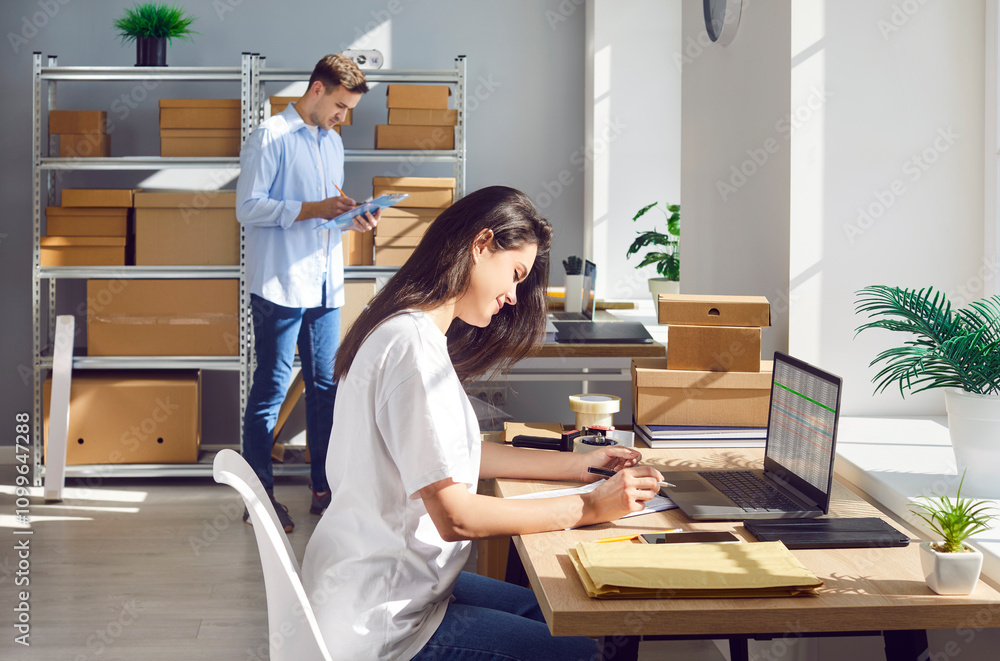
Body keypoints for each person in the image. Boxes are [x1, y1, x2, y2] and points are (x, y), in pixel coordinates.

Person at [295, 186, 665, 660]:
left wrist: (580, 467)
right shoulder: (411, 350)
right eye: (515, 274)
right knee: (579, 651)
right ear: (480, 244)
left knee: (551, 612)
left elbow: (456, 453)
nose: (513, 296)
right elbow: (457, 518)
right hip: (383, 623)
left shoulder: (408, 329)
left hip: (381, 582)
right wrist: (587, 508)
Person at [235, 53, 379, 533]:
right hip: (280, 282)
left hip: (324, 282)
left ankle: (325, 490)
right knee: (272, 388)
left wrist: (351, 216)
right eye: (339, 105)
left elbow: (325, 216)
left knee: (325, 389)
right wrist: (316, 207)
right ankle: (259, 497)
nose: (343, 117)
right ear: (316, 89)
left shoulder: (332, 142)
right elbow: (248, 208)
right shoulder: (269, 137)